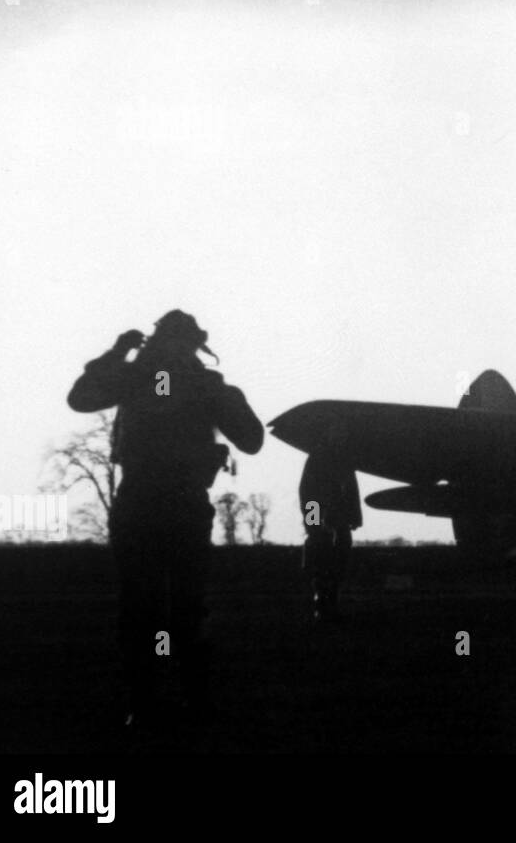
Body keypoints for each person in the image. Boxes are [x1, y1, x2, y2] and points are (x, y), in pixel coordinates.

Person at [67, 310, 263, 726]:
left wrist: (118, 354)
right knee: (178, 609)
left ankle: (151, 699)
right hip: (179, 507)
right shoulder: (199, 385)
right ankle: (183, 697)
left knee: (150, 608)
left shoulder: (136, 379)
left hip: (144, 505)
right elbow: (251, 438)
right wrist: (221, 394)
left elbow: (82, 396)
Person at [299, 428, 362, 623]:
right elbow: (307, 492)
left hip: (338, 520)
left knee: (338, 564)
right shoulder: (318, 458)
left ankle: (329, 606)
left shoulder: (342, 459)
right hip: (324, 522)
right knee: (322, 565)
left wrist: (354, 516)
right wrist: (314, 523)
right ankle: (322, 607)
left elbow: (351, 490)